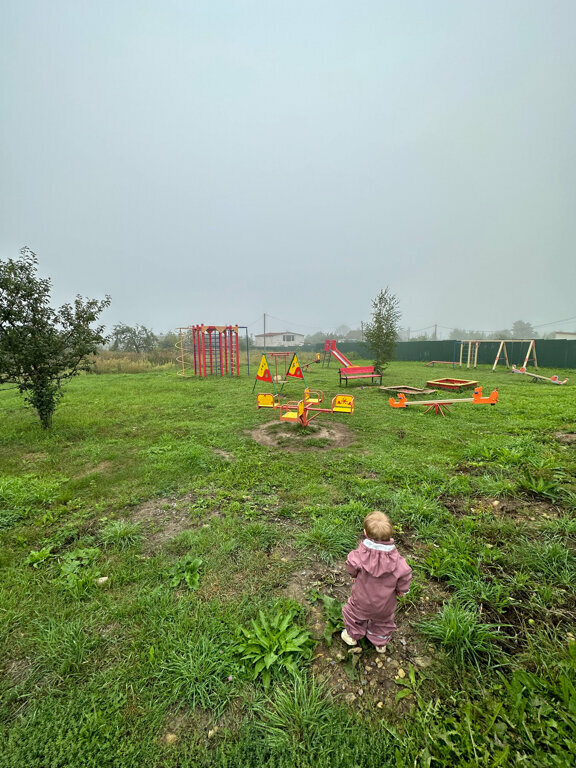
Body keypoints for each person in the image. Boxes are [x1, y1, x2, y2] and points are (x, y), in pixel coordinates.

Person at [341, 510, 411, 653]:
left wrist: (353, 574)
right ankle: (380, 642)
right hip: (385, 604)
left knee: (354, 615)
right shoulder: (398, 562)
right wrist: (401, 590)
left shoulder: (359, 555)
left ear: (365, 533)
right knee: (383, 622)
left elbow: (350, 563)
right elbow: (405, 575)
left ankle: (352, 636)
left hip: (361, 600)